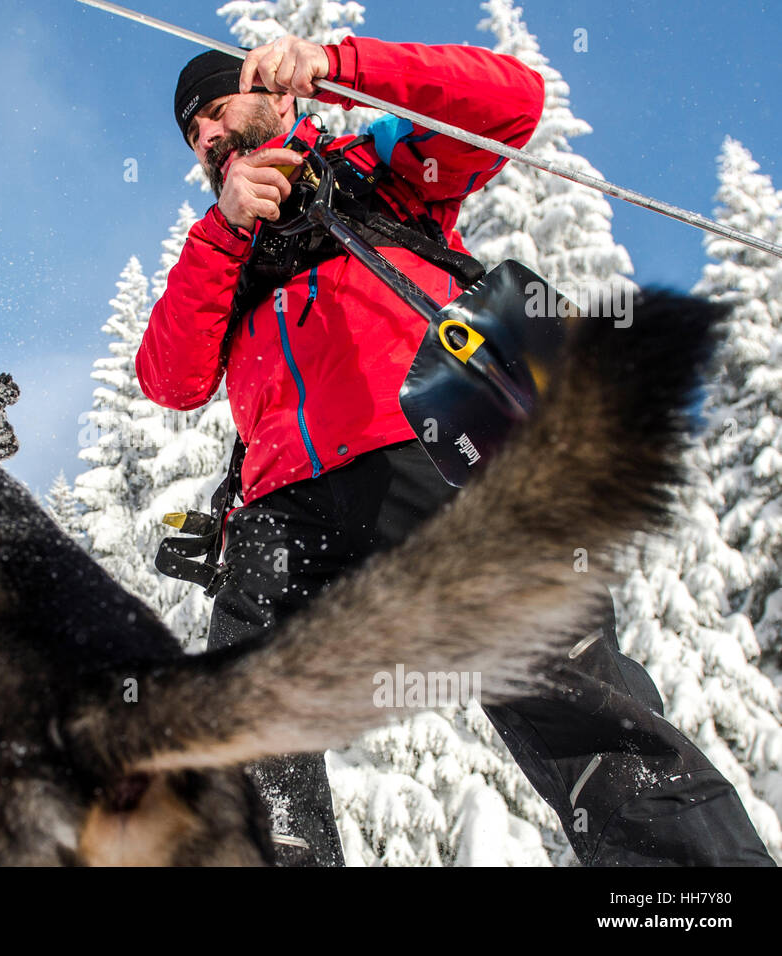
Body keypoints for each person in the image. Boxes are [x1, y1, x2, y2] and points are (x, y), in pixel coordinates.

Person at [138, 34, 775, 867]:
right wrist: (224, 234)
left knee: (569, 696)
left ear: (276, 94)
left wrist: (341, 63)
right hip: (284, 506)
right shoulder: (224, 252)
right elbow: (171, 379)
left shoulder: (376, 167)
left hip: (439, 457)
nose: (212, 139)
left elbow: (512, 101)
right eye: (196, 137)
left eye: (221, 112)